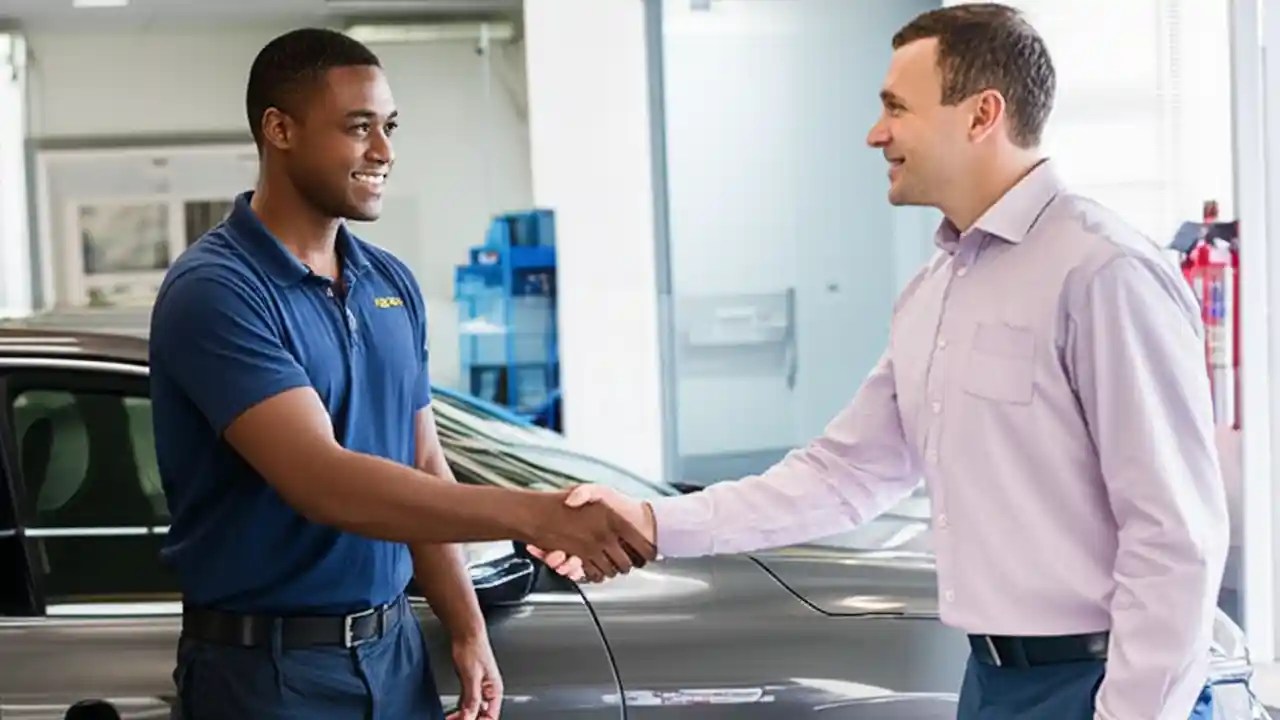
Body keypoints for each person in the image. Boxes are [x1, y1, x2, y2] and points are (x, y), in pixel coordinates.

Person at [530, 5, 1228, 719]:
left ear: (982, 114)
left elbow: (1175, 533)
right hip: (992, 682)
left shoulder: (1104, 271)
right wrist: (652, 522)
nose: (876, 133)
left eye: (896, 107)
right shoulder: (933, 292)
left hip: (1103, 683)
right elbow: (841, 476)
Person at [148, 28, 651, 720]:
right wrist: (537, 512)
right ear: (279, 129)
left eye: (388, 127)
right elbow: (322, 481)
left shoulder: (390, 283)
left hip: (394, 652)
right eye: (359, 128)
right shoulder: (218, 290)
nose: (384, 152)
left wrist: (467, 628)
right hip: (267, 674)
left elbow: (422, 463)